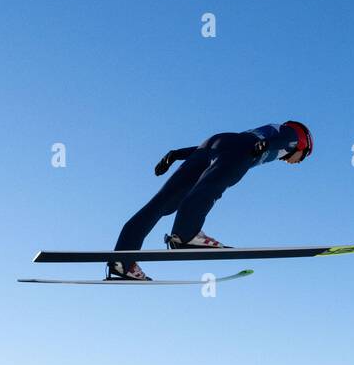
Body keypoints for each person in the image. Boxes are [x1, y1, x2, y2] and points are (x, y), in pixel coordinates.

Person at [109, 120, 313, 280]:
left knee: (161, 203)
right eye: (303, 157)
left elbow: (217, 147)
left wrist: (177, 154)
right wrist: (269, 144)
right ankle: (186, 235)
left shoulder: (265, 133)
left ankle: (122, 260)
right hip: (239, 149)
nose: (296, 162)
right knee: (209, 188)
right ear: (304, 145)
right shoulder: (292, 136)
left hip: (212, 145)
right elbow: (288, 139)